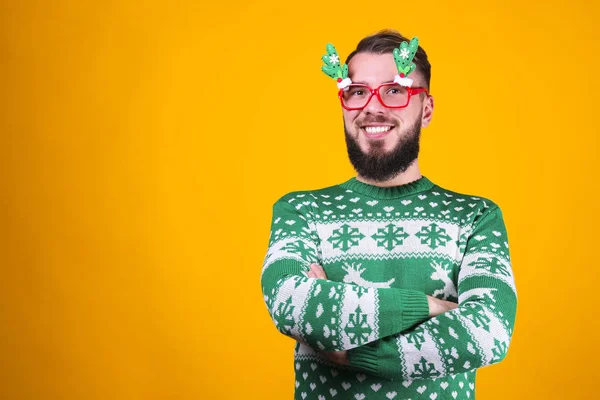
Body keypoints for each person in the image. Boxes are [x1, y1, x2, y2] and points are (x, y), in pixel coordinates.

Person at [260, 29, 517, 400]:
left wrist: (348, 352)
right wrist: (431, 307)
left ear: (426, 109)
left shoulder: (475, 217)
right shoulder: (301, 211)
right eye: (358, 91)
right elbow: (290, 302)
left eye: (395, 90)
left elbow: (487, 332)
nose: (372, 106)